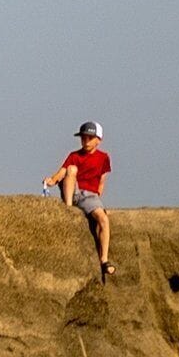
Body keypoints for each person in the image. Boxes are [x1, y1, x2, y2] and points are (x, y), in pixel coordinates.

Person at [48, 119, 114, 279]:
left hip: (90, 196)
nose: (85, 141)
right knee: (72, 169)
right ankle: (69, 209)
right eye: (83, 138)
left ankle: (104, 260)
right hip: (73, 190)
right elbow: (63, 171)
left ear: (99, 140)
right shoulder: (74, 156)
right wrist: (52, 179)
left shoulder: (104, 158)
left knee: (103, 220)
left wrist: (97, 201)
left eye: (89, 138)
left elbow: (102, 180)